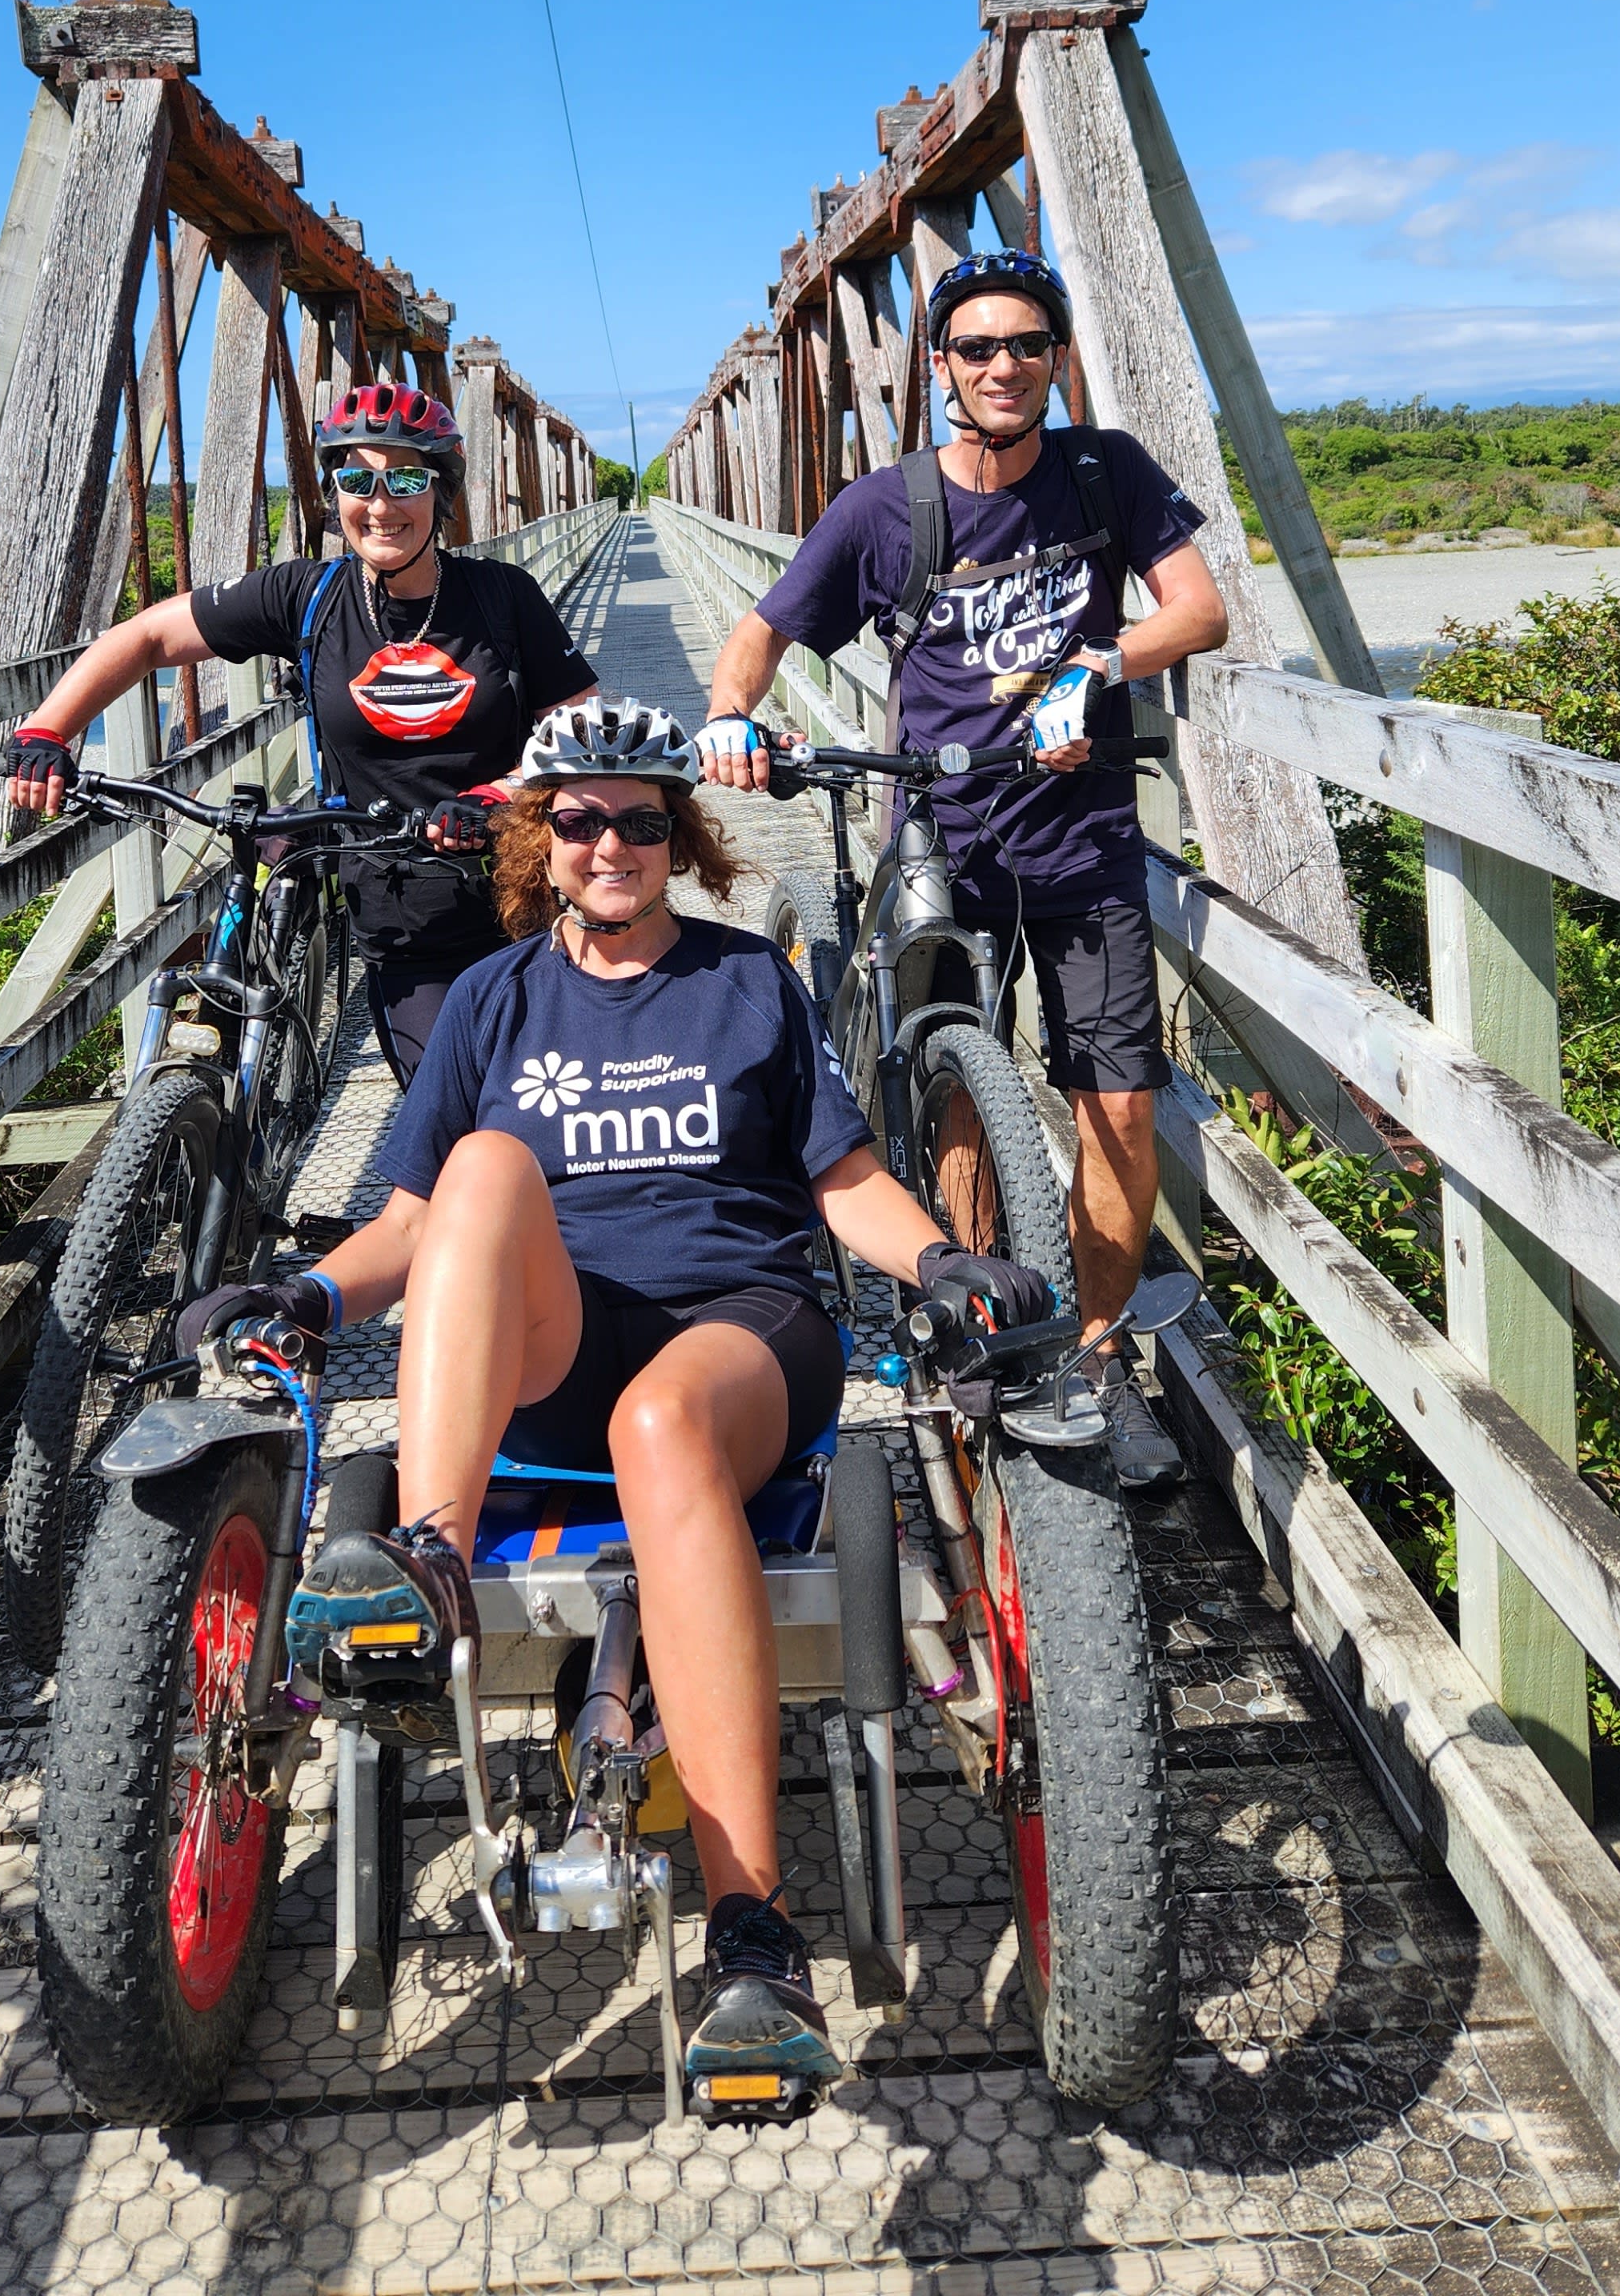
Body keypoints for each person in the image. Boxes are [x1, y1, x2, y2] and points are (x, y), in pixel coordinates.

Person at [207, 697, 1049, 2095]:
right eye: (582, 819)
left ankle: (752, 1936)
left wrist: (949, 1257)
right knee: (483, 1170)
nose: (612, 845)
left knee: (660, 1423)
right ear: (544, 835)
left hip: (741, 1331)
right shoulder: (494, 997)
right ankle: (427, 1557)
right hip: (555, 1341)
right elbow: (414, 1222)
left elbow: (843, 1186)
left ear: (680, 836)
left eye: (642, 821)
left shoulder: (748, 983)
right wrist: (309, 1299)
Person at [694, 246, 1229, 1493]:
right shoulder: (885, 509)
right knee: (958, 1100)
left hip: (1083, 836)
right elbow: (766, 631)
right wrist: (729, 713)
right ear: (938, 369)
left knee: (1123, 1108)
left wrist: (1098, 667)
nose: (1004, 365)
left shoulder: (1109, 474)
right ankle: (989, 1323)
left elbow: (1198, 609)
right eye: (977, 348)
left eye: (1027, 345)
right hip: (941, 835)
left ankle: (1094, 1359)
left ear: (1057, 359)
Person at [0, 379, 598, 1084]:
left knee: (550, 1111)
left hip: (519, 904)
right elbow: (149, 637)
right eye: (355, 479)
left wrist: (499, 794)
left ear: (442, 494)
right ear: (333, 493)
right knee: (452, 1123)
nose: (380, 504)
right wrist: (47, 731)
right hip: (401, 923)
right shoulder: (306, 598)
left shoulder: (501, 596)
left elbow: (579, 728)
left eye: (406, 478)